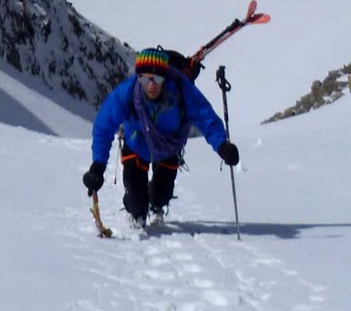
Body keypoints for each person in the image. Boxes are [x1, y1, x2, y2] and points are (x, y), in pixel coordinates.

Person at [82, 46, 239, 225]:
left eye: (156, 78)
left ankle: (157, 205)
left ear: (165, 76)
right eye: (145, 78)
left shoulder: (181, 90)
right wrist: (98, 165)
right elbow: (104, 126)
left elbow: (206, 117)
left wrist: (222, 146)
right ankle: (135, 208)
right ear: (138, 77)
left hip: (168, 145)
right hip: (137, 144)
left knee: (161, 195)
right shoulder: (128, 92)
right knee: (136, 203)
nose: (151, 85)